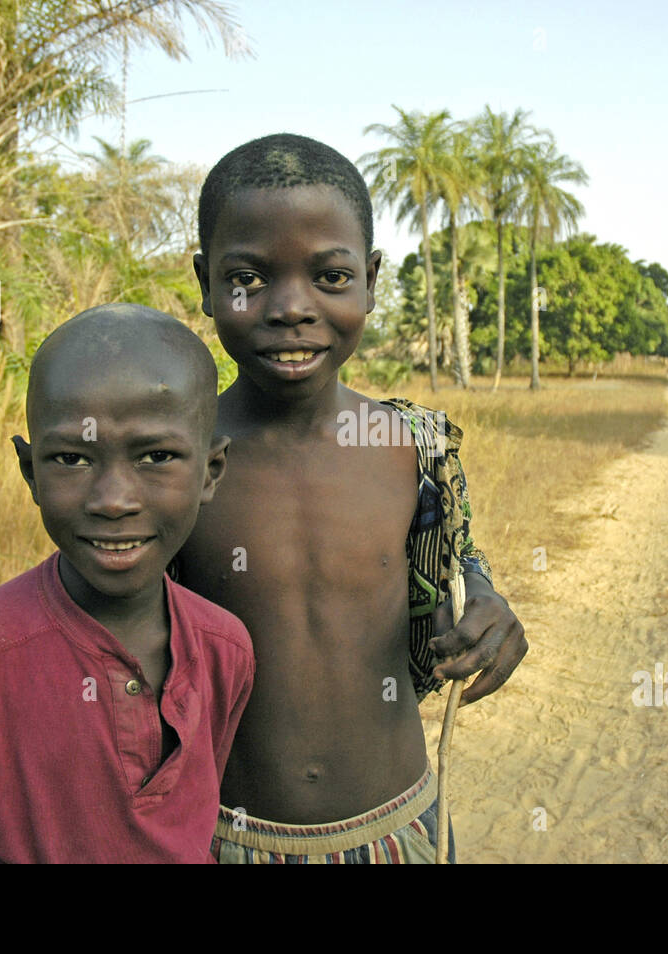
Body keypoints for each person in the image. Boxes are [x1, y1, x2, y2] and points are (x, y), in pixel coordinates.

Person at [177, 133, 528, 863]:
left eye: (330, 277)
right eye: (248, 278)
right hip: (221, 838)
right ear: (206, 282)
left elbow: (459, 555)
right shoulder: (174, 461)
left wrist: (489, 605)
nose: (291, 308)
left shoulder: (415, 447)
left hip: (399, 830)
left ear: (370, 280)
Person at [0, 304, 252, 863]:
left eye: (157, 456)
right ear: (30, 471)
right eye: (73, 458)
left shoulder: (224, 649)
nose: (113, 500)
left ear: (210, 471)